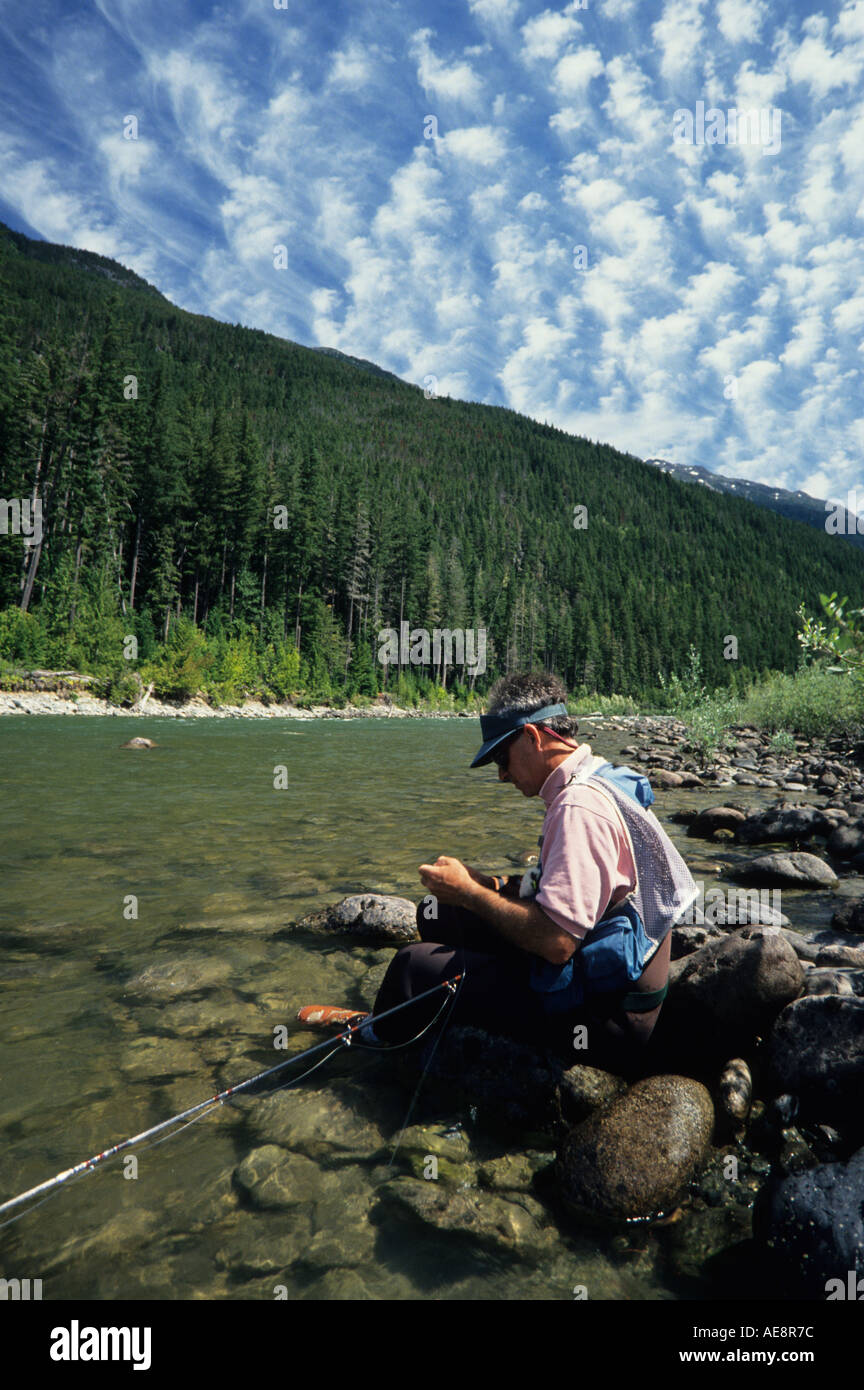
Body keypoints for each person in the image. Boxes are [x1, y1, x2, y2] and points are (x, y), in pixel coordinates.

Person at [298, 672, 697, 1073]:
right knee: (437, 912)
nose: (501, 775)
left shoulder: (579, 808)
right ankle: (435, 1011)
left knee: (412, 967)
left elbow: (557, 943)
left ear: (532, 737)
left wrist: (472, 894)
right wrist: (483, 885)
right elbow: (573, 887)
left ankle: (374, 1041)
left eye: (501, 759)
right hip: (624, 977)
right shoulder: (598, 777)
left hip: (606, 1019)